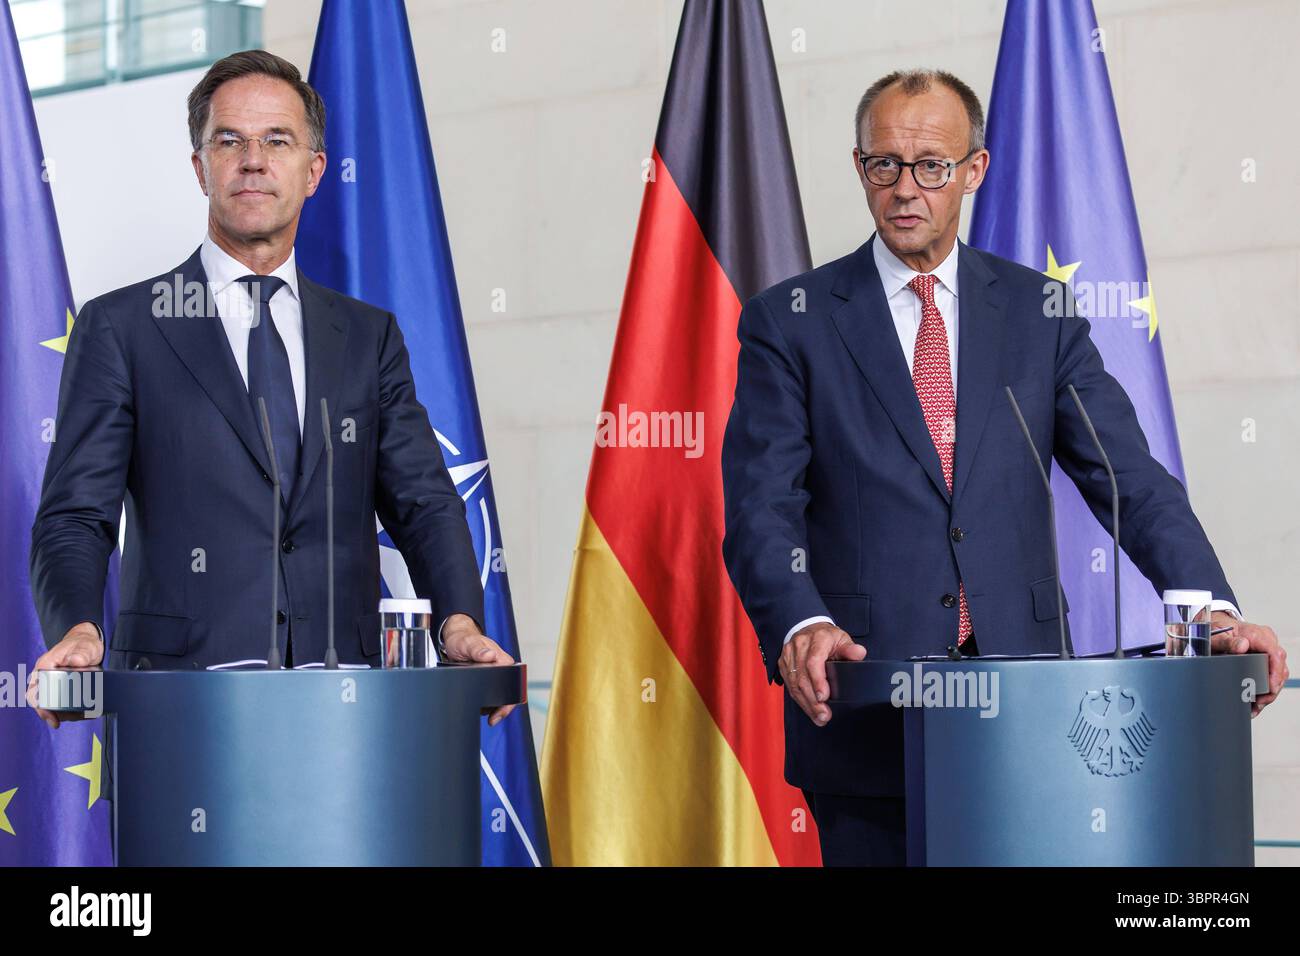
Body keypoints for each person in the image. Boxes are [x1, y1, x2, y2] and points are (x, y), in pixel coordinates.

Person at [720, 68, 1288, 866]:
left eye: (931, 166)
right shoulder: (791, 321)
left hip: (1031, 725)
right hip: (869, 716)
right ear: (859, 169)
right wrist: (802, 622)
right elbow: (759, 508)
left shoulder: (1037, 313)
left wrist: (1209, 613)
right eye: (884, 164)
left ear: (975, 172)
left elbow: (1128, 476)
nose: (905, 188)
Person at [28, 50, 516, 727]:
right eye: (229, 140)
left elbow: (424, 502)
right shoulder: (122, 328)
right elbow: (76, 514)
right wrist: (80, 627)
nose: (253, 160)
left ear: (313, 171)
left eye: (277, 141)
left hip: (345, 714)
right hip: (180, 712)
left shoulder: (367, 337)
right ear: (200, 167)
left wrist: (458, 622)